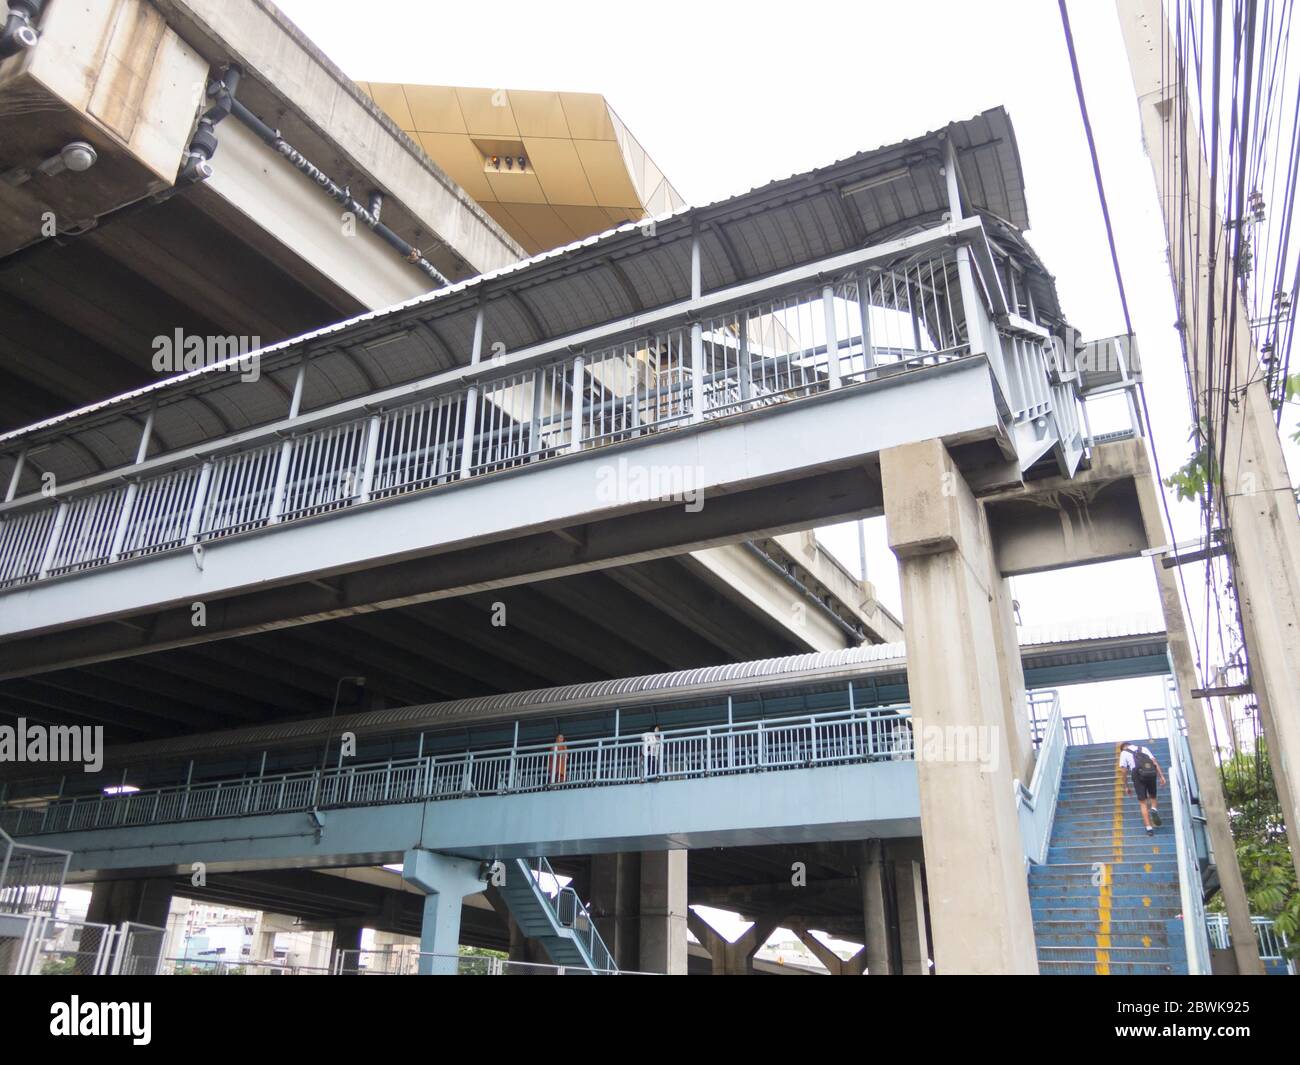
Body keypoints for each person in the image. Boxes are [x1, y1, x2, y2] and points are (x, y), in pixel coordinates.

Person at [1119, 741, 1167, 836]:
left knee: (1143, 802)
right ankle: (1153, 808)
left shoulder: (1124, 753)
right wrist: (1161, 776)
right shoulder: (1144, 748)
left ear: (1123, 748)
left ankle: (1149, 828)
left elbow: (1123, 771)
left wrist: (1126, 786)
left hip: (1137, 775)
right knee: (1153, 796)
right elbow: (1154, 762)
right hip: (1150, 772)